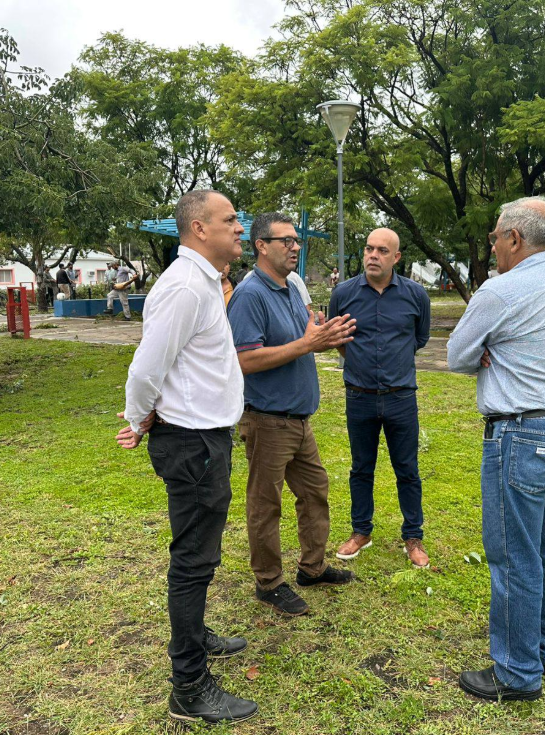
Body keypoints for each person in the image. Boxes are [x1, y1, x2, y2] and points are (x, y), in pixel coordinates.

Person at [115, 190, 258, 725]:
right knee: (194, 561)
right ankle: (189, 685)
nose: (239, 228)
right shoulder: (182, 287)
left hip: (204, 436)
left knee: (200, 553)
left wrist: (151, 412)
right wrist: (138, 416)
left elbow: (183, 365)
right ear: (199, 229)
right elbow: (147, 365)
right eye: (230, 221)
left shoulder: (204, 283)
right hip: (192, 442)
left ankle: (196, 637)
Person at [447, 197, 545, 702]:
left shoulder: (501, 290)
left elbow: (458, 355)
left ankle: (516, 672)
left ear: (514, 238)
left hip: (521, 436)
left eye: (495, 237)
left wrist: (491, 351)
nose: (493, 246)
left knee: (513, 557)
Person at [227, 212, 357, 617]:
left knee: (315, 492)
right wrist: (306, 344)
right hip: (267, 420)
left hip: (299, 420)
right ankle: (268, 583)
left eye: (296, 240)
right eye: (286, 240)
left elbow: (302, 342)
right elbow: (244, 360)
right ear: (261, 245)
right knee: (265, 504)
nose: (295, 247)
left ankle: (311, 569)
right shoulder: (250, 294)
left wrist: (320, 338)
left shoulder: (287, 289)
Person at [329, 228, 432, 568]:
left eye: (382, 251)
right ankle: (361, 531)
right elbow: (337, 339)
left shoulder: (416, 296)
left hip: (401, 397)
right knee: (361, 468)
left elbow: (419, 338)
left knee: (407, 470)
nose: (373, 255)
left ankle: (413, 537)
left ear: (396, 257)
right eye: (369, 248)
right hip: (359, 397)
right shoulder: (343, 294)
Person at [241, 267, 312, 307]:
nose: (296, 247)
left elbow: (306, 307)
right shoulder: (248, 286)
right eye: (285, 242)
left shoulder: (293, 279)